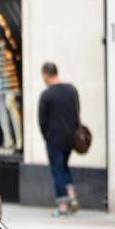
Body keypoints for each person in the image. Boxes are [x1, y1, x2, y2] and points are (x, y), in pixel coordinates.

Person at [37, 62, 81, 217]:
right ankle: (72, 196)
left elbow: (41, 120)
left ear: (45, 75)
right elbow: (77, 112)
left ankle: (62, 207)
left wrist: (45, 135)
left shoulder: (47, 94)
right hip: (70, 138)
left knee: (57, 169)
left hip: (54, 138)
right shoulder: (71, 90)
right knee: (64, 166)